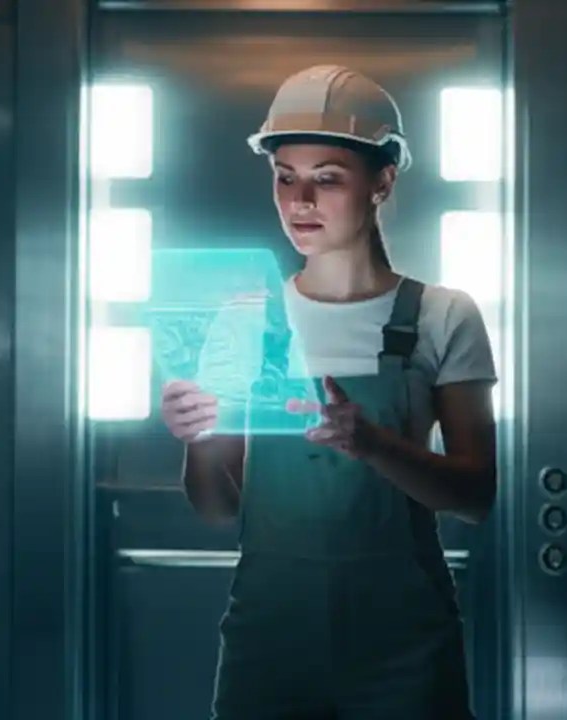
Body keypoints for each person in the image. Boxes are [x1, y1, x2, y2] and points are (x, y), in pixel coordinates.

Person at [160, 64, 498, 720]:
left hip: (404, 643)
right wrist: (199, 439)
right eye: (285, 178)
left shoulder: (441, 316)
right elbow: (215, 507)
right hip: (268, 641)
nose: (299, 202)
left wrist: (371, 444)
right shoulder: (247, 320)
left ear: (383, 182)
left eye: (327, 179)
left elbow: (475, 497)